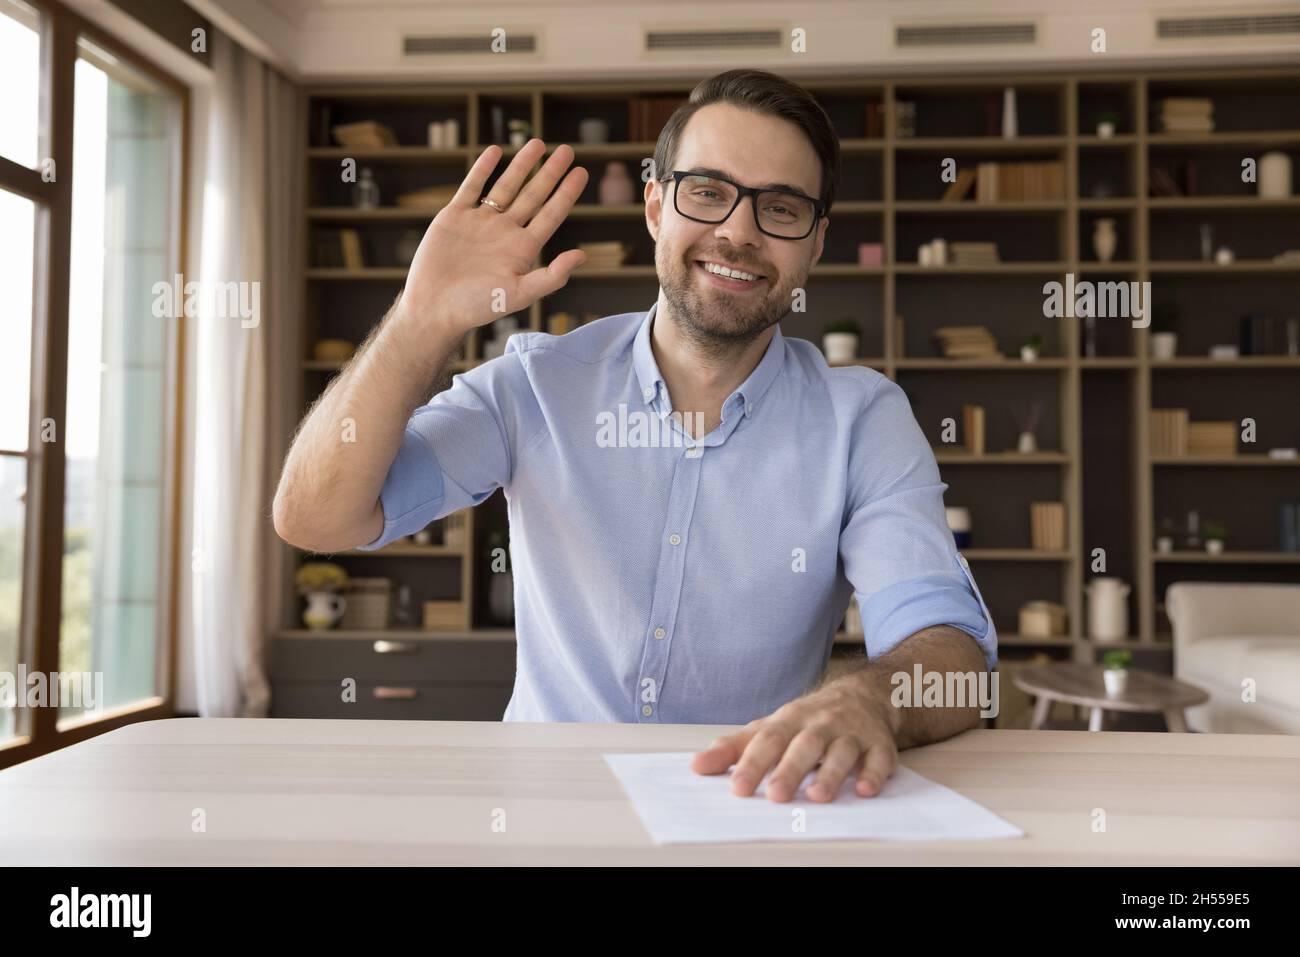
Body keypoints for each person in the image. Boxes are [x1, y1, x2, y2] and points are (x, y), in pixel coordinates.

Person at [274, 69, 998, 804]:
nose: (738, 233)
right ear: (655, 206)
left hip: (749, 813)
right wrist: (419, 319)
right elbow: (315, 516)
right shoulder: (536, 386)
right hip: (542, 815)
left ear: (814, 244)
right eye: (708, 192)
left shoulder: (862, 420)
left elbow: (952, 656)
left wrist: (870, 697)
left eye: (780, 207)